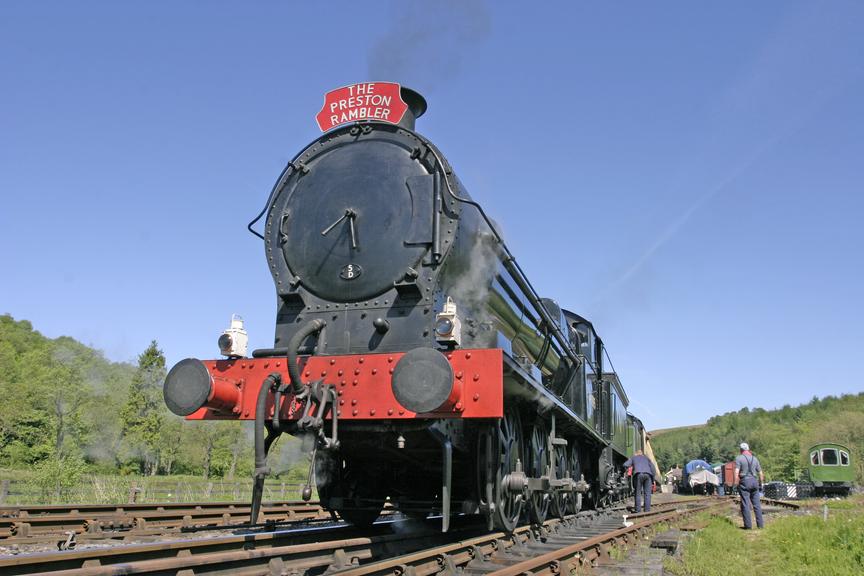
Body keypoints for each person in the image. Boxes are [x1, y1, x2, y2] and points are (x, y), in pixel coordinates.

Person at [733, 442, 765, 529]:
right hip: (754, 481)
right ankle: (760, 525)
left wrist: (736, 483)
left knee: (745, 504)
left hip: (745, 482)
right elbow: (761, 473)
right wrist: (760, 484)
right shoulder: (755, 459)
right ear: (748, 449)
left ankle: (748, 526)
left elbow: (736, 472)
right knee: (757, 504)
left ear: (741, 450)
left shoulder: (739, 458)